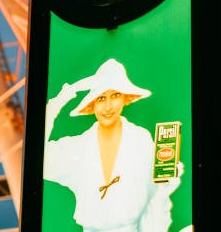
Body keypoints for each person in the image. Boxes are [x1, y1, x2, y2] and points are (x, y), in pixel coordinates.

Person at [44, 58, 181, 231]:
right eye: (101, 98)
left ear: (125, 98)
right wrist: (63, 97)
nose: (108, 106)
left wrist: (167, 181)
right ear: (92, 104)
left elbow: (155, 194)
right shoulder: (78, 148)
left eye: (115, 95)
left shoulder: (140, 138)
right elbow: (38, 159)